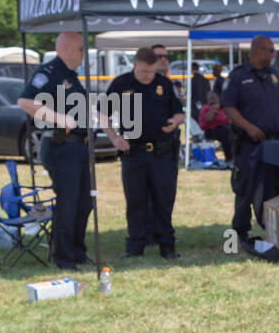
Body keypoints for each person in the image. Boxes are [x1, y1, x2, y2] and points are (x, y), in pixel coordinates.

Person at [16, 31, 92, 271]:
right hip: (61, 147)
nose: (84, 54)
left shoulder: (70, 75)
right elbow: (26, 102)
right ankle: (64, 257)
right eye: (81, 49)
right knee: (68, 203)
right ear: (68, 49)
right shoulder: (49, 72)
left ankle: (77, 251)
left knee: (84, 202)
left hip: (78, 148)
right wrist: (60, 119)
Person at [100, 46, 185, 260]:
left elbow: (178, 112)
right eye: (144, 72)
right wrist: (114, 139)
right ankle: (135, 247)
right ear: (134, 65)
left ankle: (167, 245)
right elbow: (102, 115)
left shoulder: (164, 83)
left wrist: (174, 122)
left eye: (152, 72)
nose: (148, 76)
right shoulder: (121, 84)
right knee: (135, 200)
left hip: (161, 153)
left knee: (163, 200)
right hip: (134, 153)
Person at [222, 35, 279, 241]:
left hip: (275, 141)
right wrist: (249, 127)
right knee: (245, 187)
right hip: (248, 142)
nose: (273, 55)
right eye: (270, 51)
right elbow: (228, 108)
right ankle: (240, 231)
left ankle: (273, 230)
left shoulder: (274, 75)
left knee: (275, 187)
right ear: (258, 51)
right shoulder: (238, 76)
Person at [198, 91, 233, 163]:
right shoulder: (206, 108)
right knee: (225, 133)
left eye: (213, 98)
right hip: (210, 130)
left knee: (233, 132)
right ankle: (229, 158)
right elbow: (208, 119)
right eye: (210, 98)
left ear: (218, 98)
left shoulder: (222, 108)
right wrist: (213, 109)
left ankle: (235, 157)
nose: (212, 100)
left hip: (225, 127)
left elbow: (229, 119)